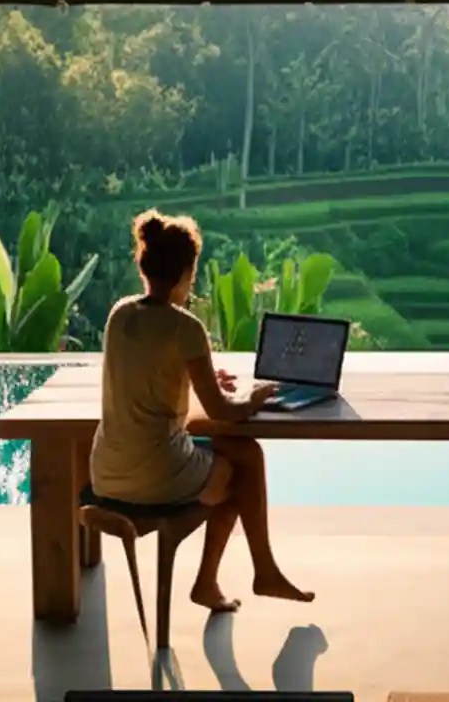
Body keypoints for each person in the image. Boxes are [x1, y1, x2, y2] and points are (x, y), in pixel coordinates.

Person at [90, 208, 313, 612]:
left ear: (144, 266)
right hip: (155, 476)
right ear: (186, 273)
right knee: (239, 467)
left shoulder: (119, 314)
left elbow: (149, 378)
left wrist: (200, 378)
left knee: (242, 456)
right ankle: (245, 575)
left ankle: (231, 579)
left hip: (105, 474)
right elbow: (224, 412)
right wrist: (255, 396)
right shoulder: (186, 327)